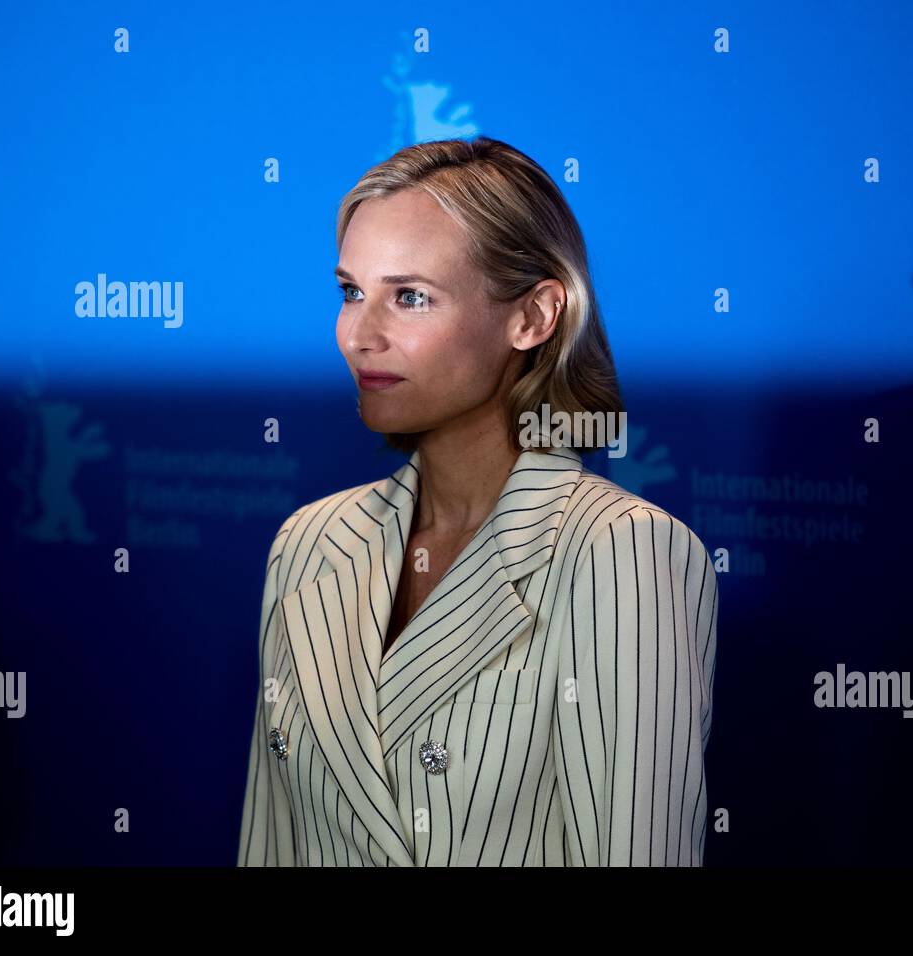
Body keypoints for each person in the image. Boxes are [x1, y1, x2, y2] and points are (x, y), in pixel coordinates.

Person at [236, 137, 719, 866]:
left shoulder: (618, 552)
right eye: (350, 292)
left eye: (409, 297)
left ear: (533, 317)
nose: (359, 337)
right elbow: (270, 846)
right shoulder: (309, 543)